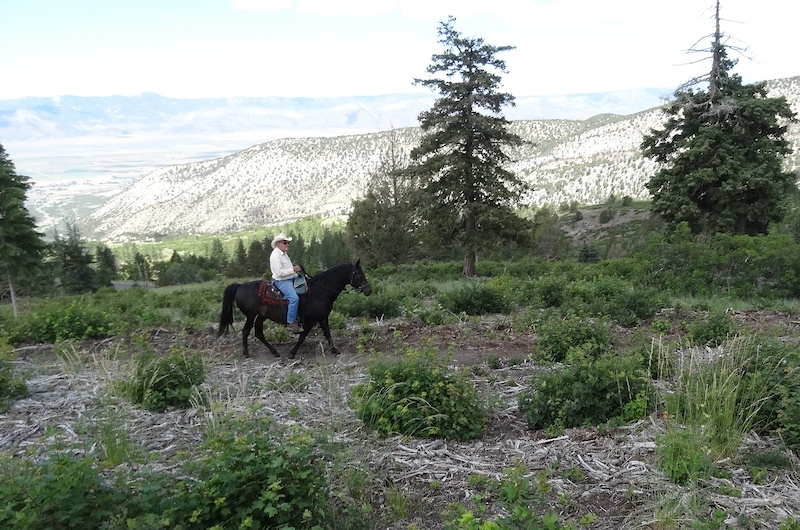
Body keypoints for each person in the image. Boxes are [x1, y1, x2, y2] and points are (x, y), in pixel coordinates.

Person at [269, 233, 303, 334]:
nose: (287, 244)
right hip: (281, 281)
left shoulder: (283, 253)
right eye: (285, 242)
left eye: (287, 242)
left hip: (291, 278)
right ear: (278, 244)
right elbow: (279, 273)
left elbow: (287, 268)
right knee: (294, 298)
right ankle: (290, 323)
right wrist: (293, 269)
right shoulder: (275, 256)